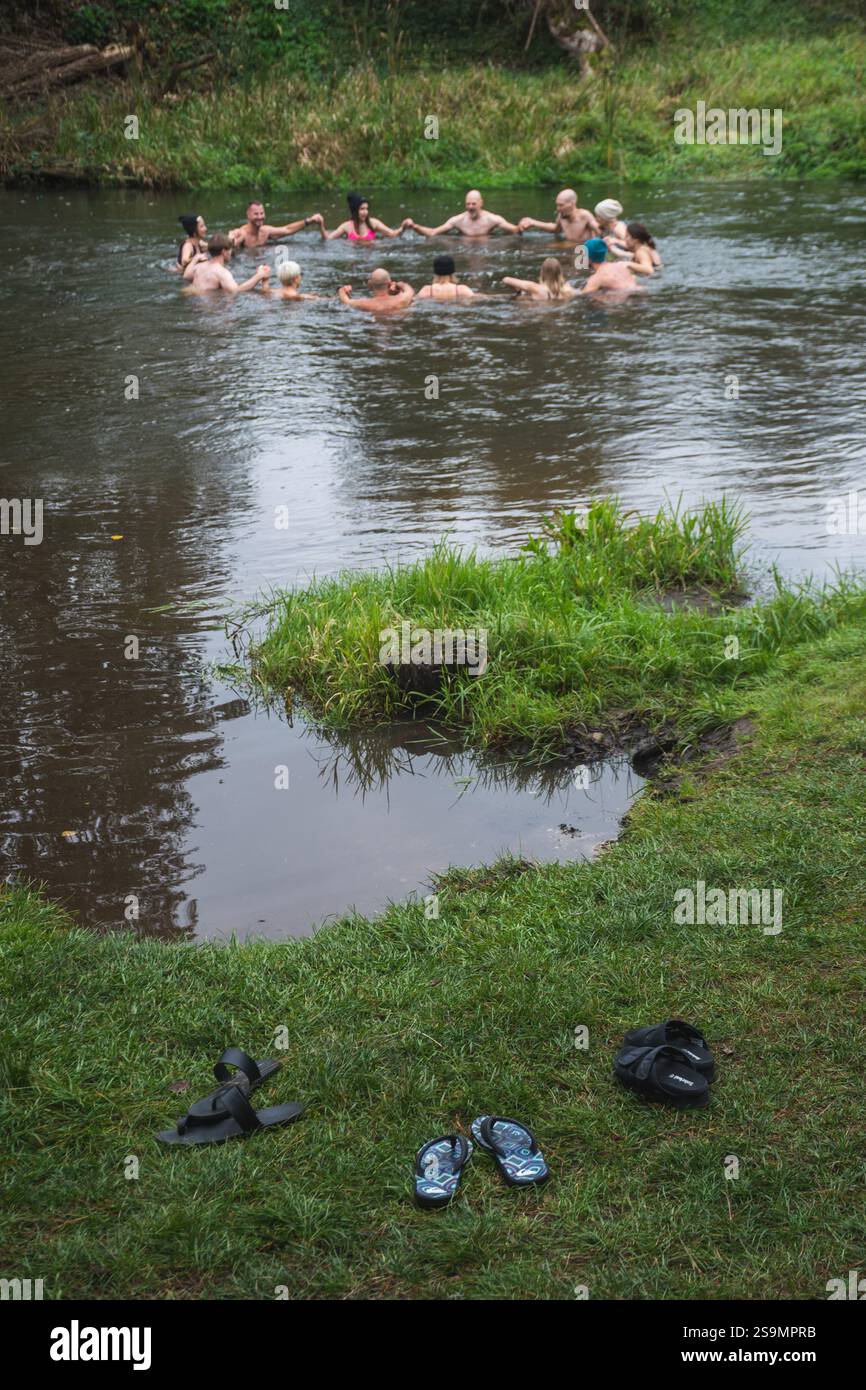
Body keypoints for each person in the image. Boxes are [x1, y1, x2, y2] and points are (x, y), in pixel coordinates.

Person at [407, 190, 521, 238]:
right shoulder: (458, 220)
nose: (470, 207)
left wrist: (524, 225)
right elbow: (433, 232)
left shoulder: (492, 219)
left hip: (487, 247)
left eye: (473, 204)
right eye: (468, 204)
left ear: (481, 203)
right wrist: (415, 227)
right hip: (465, 246)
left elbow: (515, 230)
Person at [183, 233, 271, 294]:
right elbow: (236, 290)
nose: (231, 252)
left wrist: (195, 259)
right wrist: (259, 275)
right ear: (224, 251)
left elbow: (186, 276)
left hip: (194, 298)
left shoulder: (199, 266)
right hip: (208, 305)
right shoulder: (221, 272)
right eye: (230, 249)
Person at [229, 201, 323, 250]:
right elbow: (229, 239)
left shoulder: (265, 231)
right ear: (248, 215)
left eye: (262, 213)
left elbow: (287, 229)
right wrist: (232, 240)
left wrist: (308, 221)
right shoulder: (242, 233)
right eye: (256, 214)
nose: (260, 217)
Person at [319, 193, 409, 241]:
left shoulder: (373, 223)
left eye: (366, 208)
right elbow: (328, 238)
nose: (365, 212)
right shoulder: (346, 226)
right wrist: (321, 224)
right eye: (362, 209)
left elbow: (392, 234)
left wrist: (403, 227)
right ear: (354, 210)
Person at [518, 189, 599, 242]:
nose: (558, 209)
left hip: (584, 253)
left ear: (572, 204)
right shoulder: (562, 216)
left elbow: (599, 231)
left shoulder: (585, 216)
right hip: (570, 251)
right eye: (557, 205)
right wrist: (533, 223)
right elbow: (556, 229)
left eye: (561, 205)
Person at [577, 238, 643, 295]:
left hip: (626, 297)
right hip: (640, 291)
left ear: (589, 258)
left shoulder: (597, 278)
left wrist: (568, 289)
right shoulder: (620, 266)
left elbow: (583, 294)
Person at [338, 267, 415, 314]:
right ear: (389, 284)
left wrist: (343, 289)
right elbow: (409, 290)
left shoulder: (363, 303)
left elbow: (345, 301)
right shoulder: (401, 299)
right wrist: (398, 284)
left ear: (369, 285)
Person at [503, 257, 577, 302]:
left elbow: (506, 279)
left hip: (541, 308)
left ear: (542, 272)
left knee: (522, 298)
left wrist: (519, 291)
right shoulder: (567, 289)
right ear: (560, 272)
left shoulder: (536, 288)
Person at [416, 254, 483, 302]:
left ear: (435, 272)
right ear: (453, 271)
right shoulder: (462, 289)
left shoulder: (427, 290)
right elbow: (476, 298)